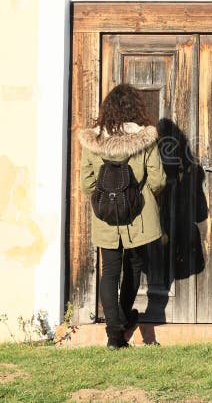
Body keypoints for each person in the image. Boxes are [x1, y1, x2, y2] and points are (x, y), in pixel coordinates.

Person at [78, 84, 167, 349]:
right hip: (139, 215)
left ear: (108, 109)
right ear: (135, 108)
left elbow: (86, 183)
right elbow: (158, 179)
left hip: (105, 215)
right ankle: (125, 318)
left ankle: (114, 334)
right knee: (134, 267)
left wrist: (105, 200)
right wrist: (140, 198)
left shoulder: (93, 141)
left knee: (110, 271)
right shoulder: (145, 139)